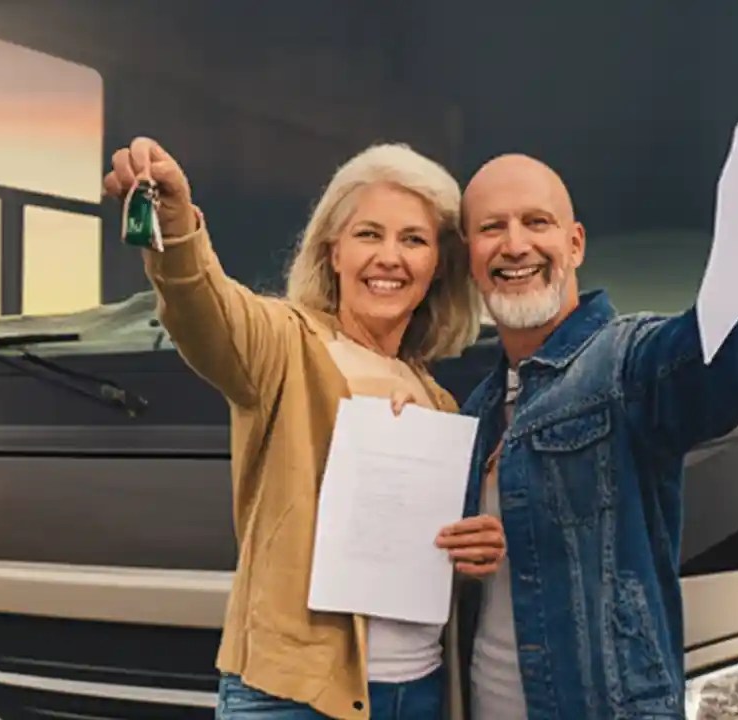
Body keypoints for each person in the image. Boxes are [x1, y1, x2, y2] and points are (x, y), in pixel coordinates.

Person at [101, 138, 508, 720]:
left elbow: (437, 558)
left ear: (436, 266)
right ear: (333, 251)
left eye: (412, 239)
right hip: (291, 698)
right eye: (369, 234)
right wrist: (176, 224)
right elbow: (204, 308)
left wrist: (478, 550)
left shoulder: (442, 403)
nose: (389, 257)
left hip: (418, 692)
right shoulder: (282, 344)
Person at [448, 122, 738, 718]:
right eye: (491, 228)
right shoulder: (473, 414)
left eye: (537, 222)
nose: (515, 244)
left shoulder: (627, 360)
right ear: (470, 257)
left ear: (574, 244)